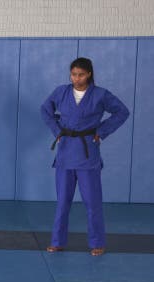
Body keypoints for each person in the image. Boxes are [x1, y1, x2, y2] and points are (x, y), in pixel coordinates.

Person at [40, 57, 129, 256]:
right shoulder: (61, 92)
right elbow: (45, 110)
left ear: (89, 74)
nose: (76, 78)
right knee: (62, 202)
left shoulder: (100, 94)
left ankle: (97, 243)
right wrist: (57, 130)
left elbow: (122, 112)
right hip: (65, 153)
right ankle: (57, 241)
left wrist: (102, 131)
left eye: (80, 75)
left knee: (92, 202)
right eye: (73, 74)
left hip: (87, 152)